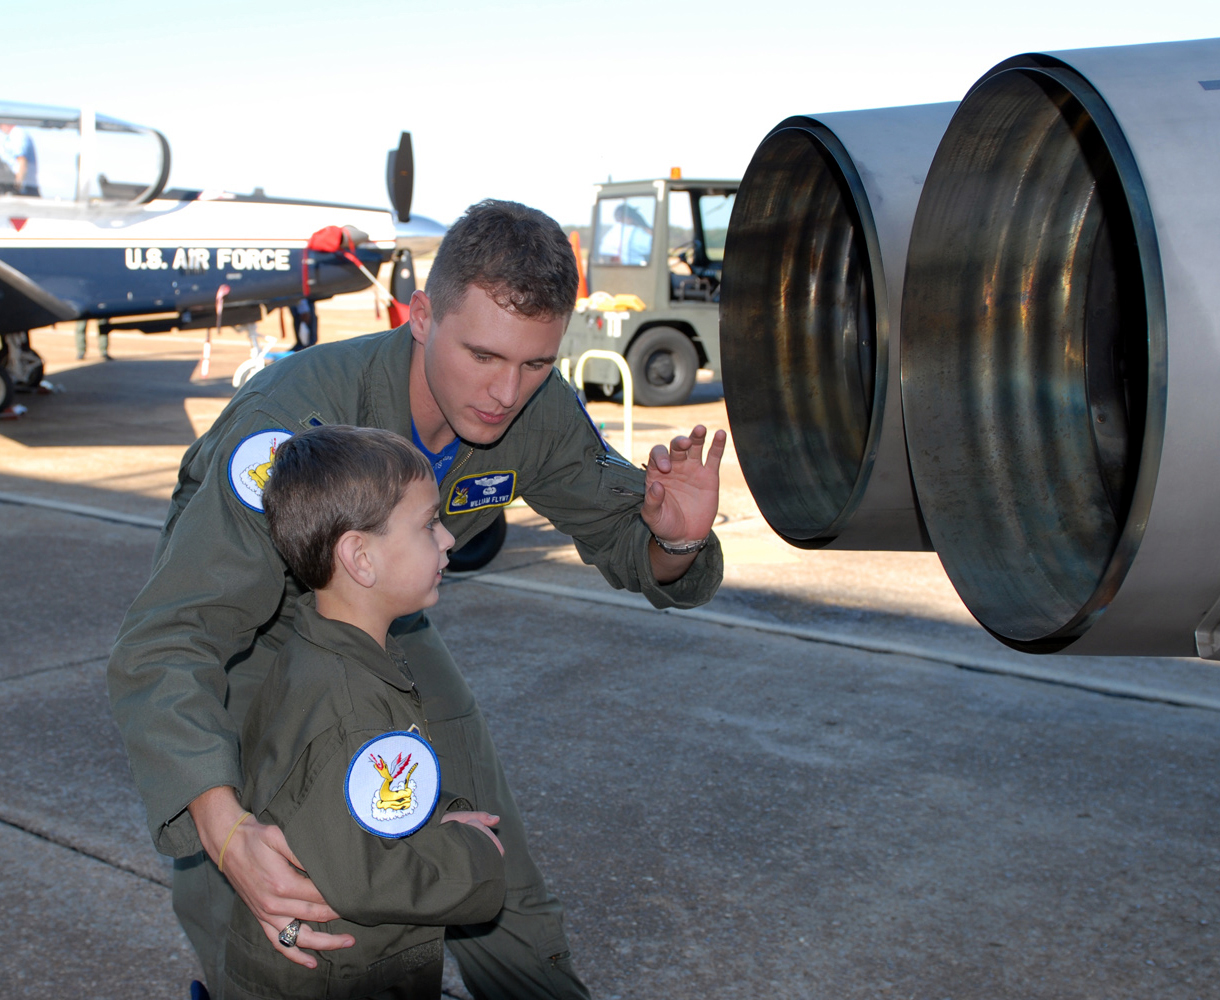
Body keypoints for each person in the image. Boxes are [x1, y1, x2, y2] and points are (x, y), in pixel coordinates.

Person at [107, 199, 726, 1000]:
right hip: (253, 629)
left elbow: (625, 537)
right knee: (262, 899)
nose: (506, 392)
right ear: (423, 316)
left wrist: (674, 540)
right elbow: (173, 639)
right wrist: (225, 835)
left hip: (379, 622)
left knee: (489, 860)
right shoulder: (289, 428)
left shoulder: (533, 409)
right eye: (483, 355)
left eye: (536, 363)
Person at [224, 424, 507, 999]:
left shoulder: (322, 644)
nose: (449, 539)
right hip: (343, 980)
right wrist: (475, 858)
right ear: (361, 558)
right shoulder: (349, 702)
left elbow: (352, 804)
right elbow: (367, 876)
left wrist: (438, 814)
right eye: (429, 524)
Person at [0, 122, 40, 196]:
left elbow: (22, 162)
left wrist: (16, 188)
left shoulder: (18, 134)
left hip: (24, 189)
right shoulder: (12, 135)